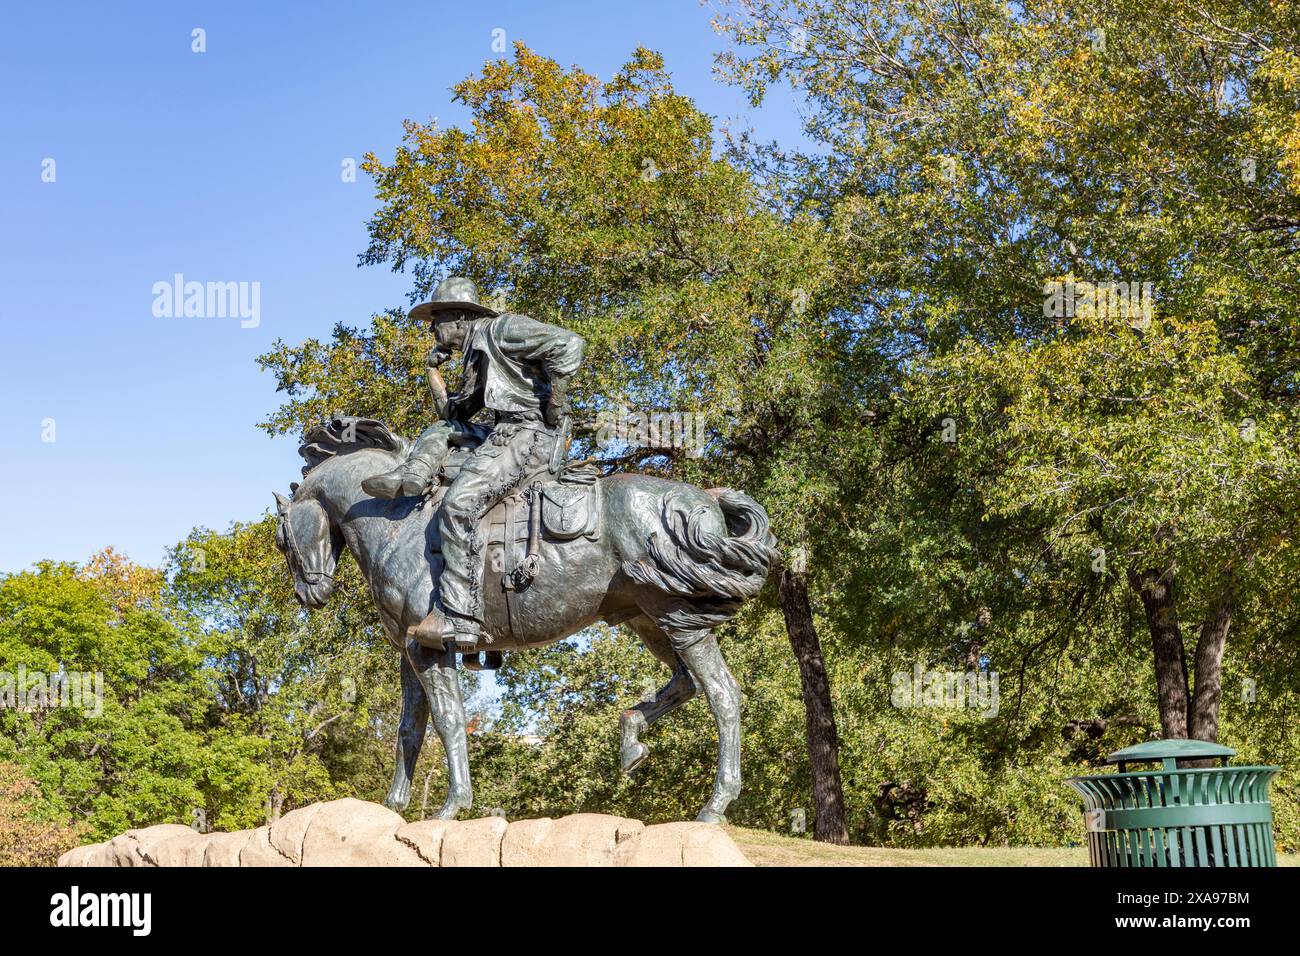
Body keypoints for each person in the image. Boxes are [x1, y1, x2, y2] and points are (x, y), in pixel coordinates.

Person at [362, 276, 585, 652]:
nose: (432, 328)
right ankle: (411, 476)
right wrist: (433, 374)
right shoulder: (474, 352)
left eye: (438, 319)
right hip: (505, 430)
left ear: (461, 317)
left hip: (527, 434)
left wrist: (556, 404)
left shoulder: (502, 329)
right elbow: (457, 412)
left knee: (458, 506)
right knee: (443, 428)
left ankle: (461, 616)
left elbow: (570, 344)